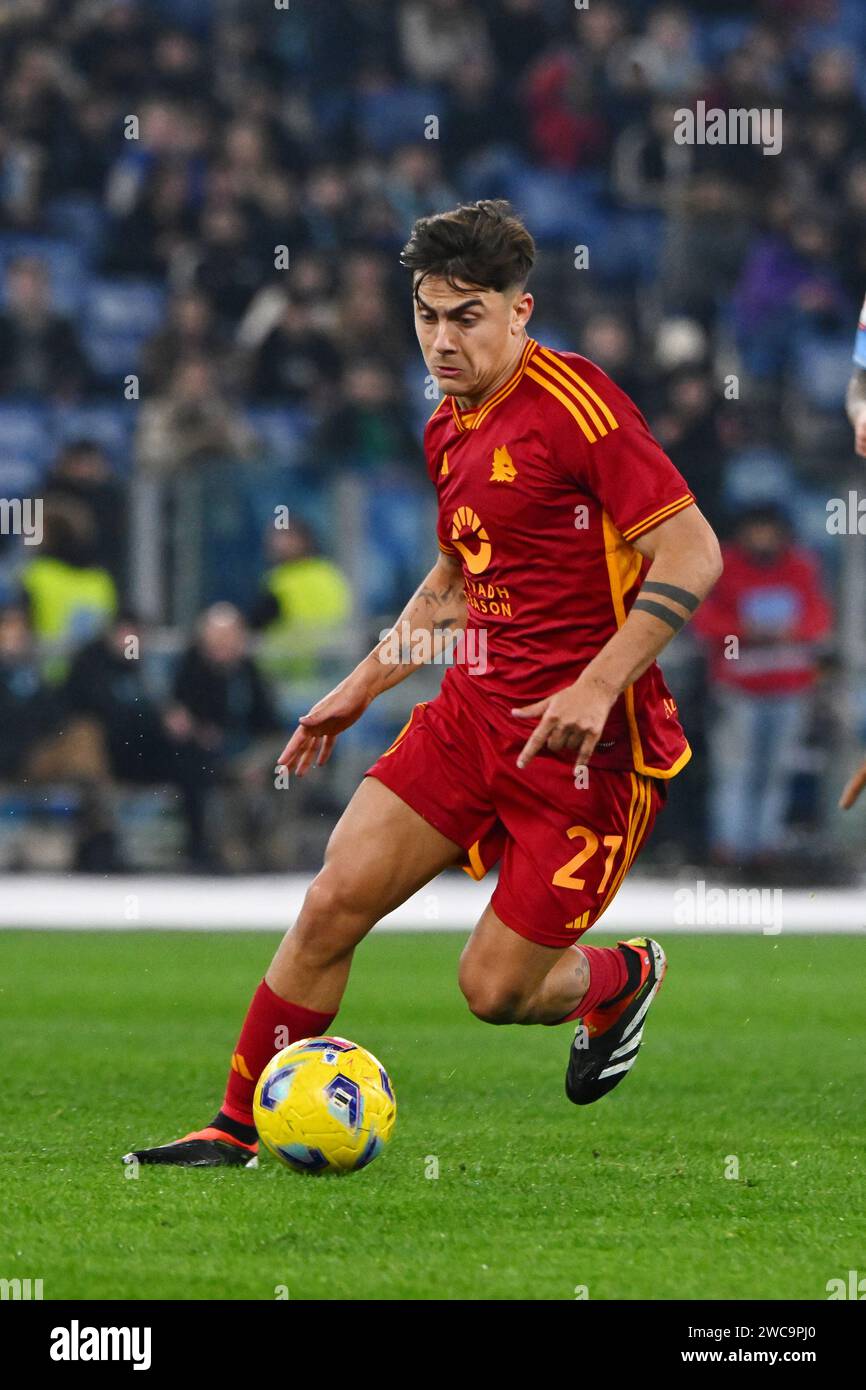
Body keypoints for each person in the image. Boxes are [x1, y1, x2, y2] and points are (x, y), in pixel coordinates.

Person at [126, 199, 722, 1167]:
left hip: (588, 752)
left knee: (494, 990)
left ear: (519, 312)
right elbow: (455, 580)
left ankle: (618, 977)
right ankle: (234, 1126)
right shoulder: (446, 425)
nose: (440, 339)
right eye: (425, 314)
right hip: (471, 719)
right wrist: (362, 683)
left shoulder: (580, 409)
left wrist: (592, 685)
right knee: (331, 902)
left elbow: (691, 553)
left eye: (466, 316)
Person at [692, 505, 832, 869]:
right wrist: (745, 632)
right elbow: (703, 619)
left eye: (769, 530)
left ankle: (763, 851)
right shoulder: (723, 565)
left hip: (788, 688)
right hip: (738, 690)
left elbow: (818, 617)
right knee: (735, 771)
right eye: (757, 529)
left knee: (775, 773)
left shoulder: (801, 566)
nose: (764, 538)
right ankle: (728, 848)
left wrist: (794, 631)